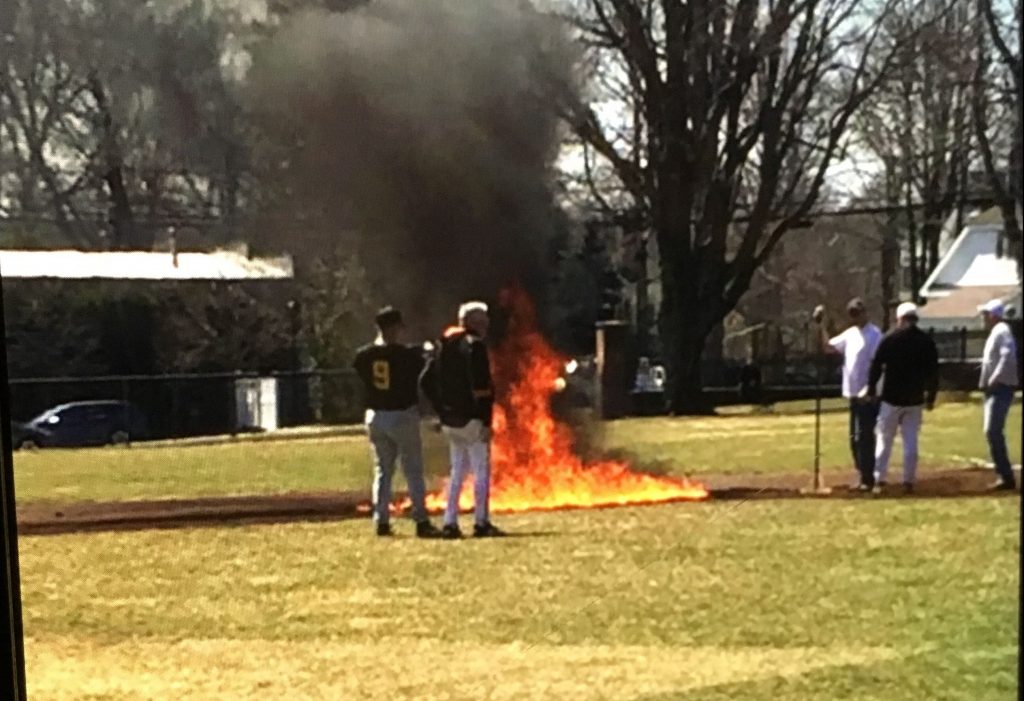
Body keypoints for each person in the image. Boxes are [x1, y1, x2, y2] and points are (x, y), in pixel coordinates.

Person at [352, 307, 441, 538]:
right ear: (391, 328)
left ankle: (381, 520)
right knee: (413, 470)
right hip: (401, 413)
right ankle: (421, 520)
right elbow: (421, 360)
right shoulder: (406, 355)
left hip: (375, 415)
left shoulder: (364, 355)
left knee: (382, 470)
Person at [421, 301, 505, 539]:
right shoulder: (475, 347)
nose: (487, 324)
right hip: (472, 419)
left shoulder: (444, 345)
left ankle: (450, 522)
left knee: (457, 471)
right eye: (483, 319)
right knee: (480, 471)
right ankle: (481, 522)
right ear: (473, 322)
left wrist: (441, 409)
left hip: (450, 420)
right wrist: (486, 421)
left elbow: (425, 381)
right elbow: (482, 388)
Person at [867, 302, 939, 495]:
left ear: (899, 318)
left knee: (884, 440)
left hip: (891, 398)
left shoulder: (890, 338)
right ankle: (908, 481)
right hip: (914, 399)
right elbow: (933, 372)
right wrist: (931, 396)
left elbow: (876, 365)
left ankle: (879, 480)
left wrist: (872, 388)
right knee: (911, 442)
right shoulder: (925, 341)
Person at [814, 298, 883, 491]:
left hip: (868, 394)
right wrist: (820, 326)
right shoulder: (851, 334)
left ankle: (868, 477)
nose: (855, 317)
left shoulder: (875, 334)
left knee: (865, 437)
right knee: (854, 438)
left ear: (865, 313)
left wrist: (872, 388)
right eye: (852, 313)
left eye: (857, 313)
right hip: (852, 393)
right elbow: (829, 347)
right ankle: (862, 473)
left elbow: (879, 362)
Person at [978, 298, 1019, 491]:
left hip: (1000, 387)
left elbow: (1007, 354)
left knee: (992, 430)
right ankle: (1004, 474)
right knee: (992, 430)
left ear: (993, 315)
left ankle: (1005, 476)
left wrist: (995, 377)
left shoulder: (1001, 330)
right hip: (996, 387)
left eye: (985, 314)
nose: (983, 318)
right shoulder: (997, 331)